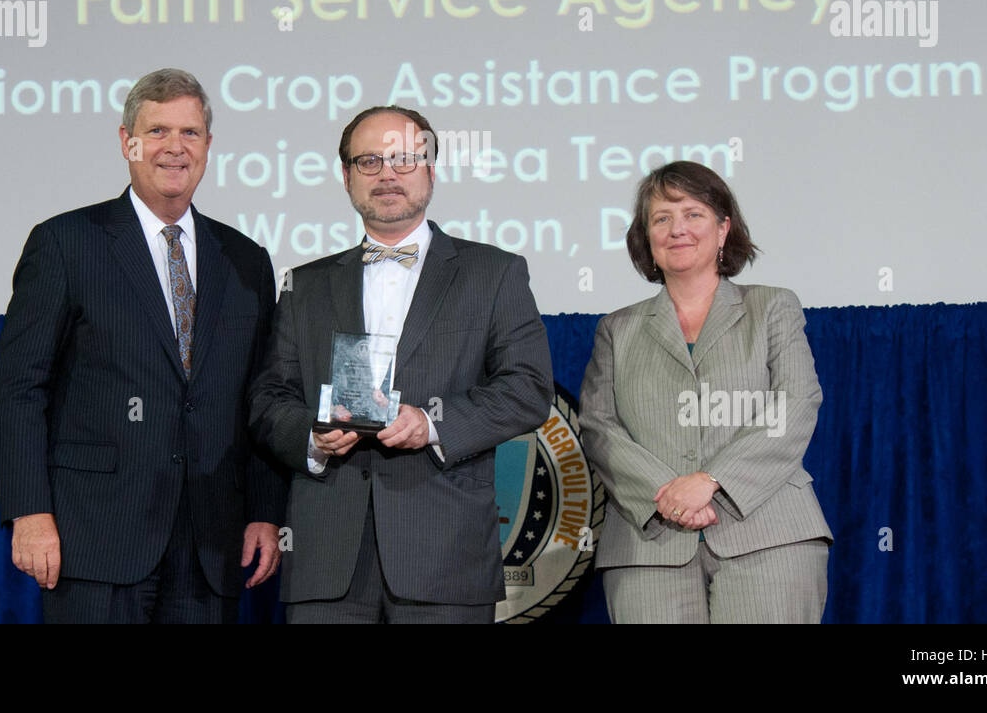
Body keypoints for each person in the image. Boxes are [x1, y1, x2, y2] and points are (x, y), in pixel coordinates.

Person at [0, 68, 286, 623]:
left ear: (209, 147)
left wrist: (265, 512)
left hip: (211, 544)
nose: (174, 147)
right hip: (95, 537)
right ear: (127, 143)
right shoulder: (65, 242)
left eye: (190, 133)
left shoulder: (246, 260)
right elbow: (17, 388)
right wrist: (29, 511)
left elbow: (261, 398)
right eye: (157, 131)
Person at [249, 106, 554, 623]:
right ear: (345, 177)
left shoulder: (494, 273)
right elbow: (268, 398)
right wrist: (312, 438)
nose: (387, 174)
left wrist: (431, 424)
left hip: (444, 556)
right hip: (327, 560)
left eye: (405, 159)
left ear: (432, 170)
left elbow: (527, 388)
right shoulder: (304, 285)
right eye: (369, 161)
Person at [578, 161, 832, 623]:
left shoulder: (773, 306)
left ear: (723, 230)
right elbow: (599, 428)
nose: (678, 229)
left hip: (769, 535)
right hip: (648, 545)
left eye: (693, 214)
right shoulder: (617, 329)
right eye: (661, 218)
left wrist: (711, 482)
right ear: (646, 239)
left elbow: (795, 404)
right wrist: (667, 493)